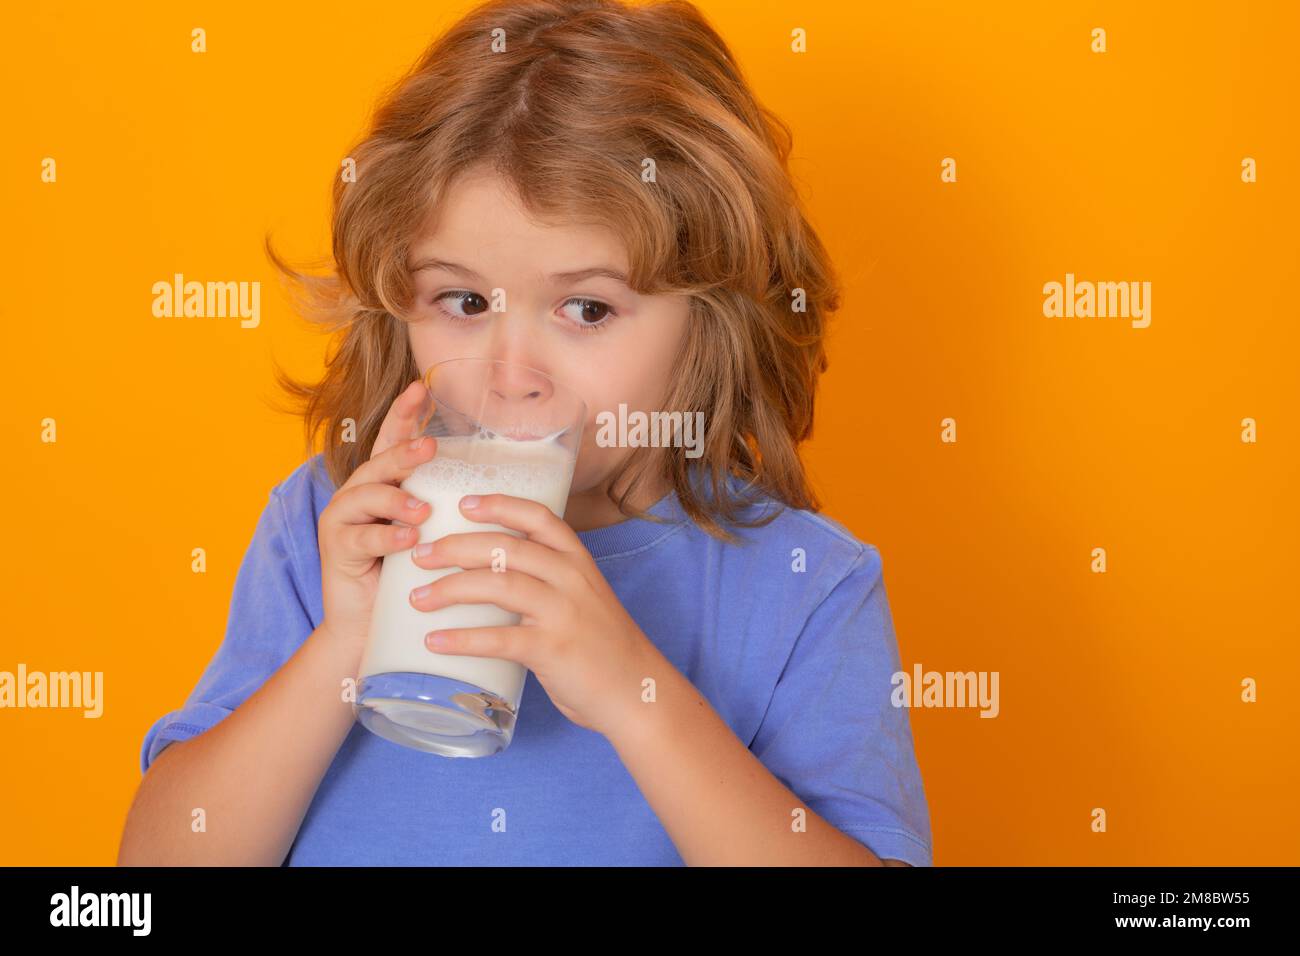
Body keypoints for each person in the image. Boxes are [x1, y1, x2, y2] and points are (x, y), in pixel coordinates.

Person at [118, 0, 932, 866]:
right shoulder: (328, 529)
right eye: (464, 302)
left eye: (585, 309)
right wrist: (345, 646)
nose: (511, 374)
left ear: (713, 320)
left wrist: (632, 691)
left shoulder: (805, 588)